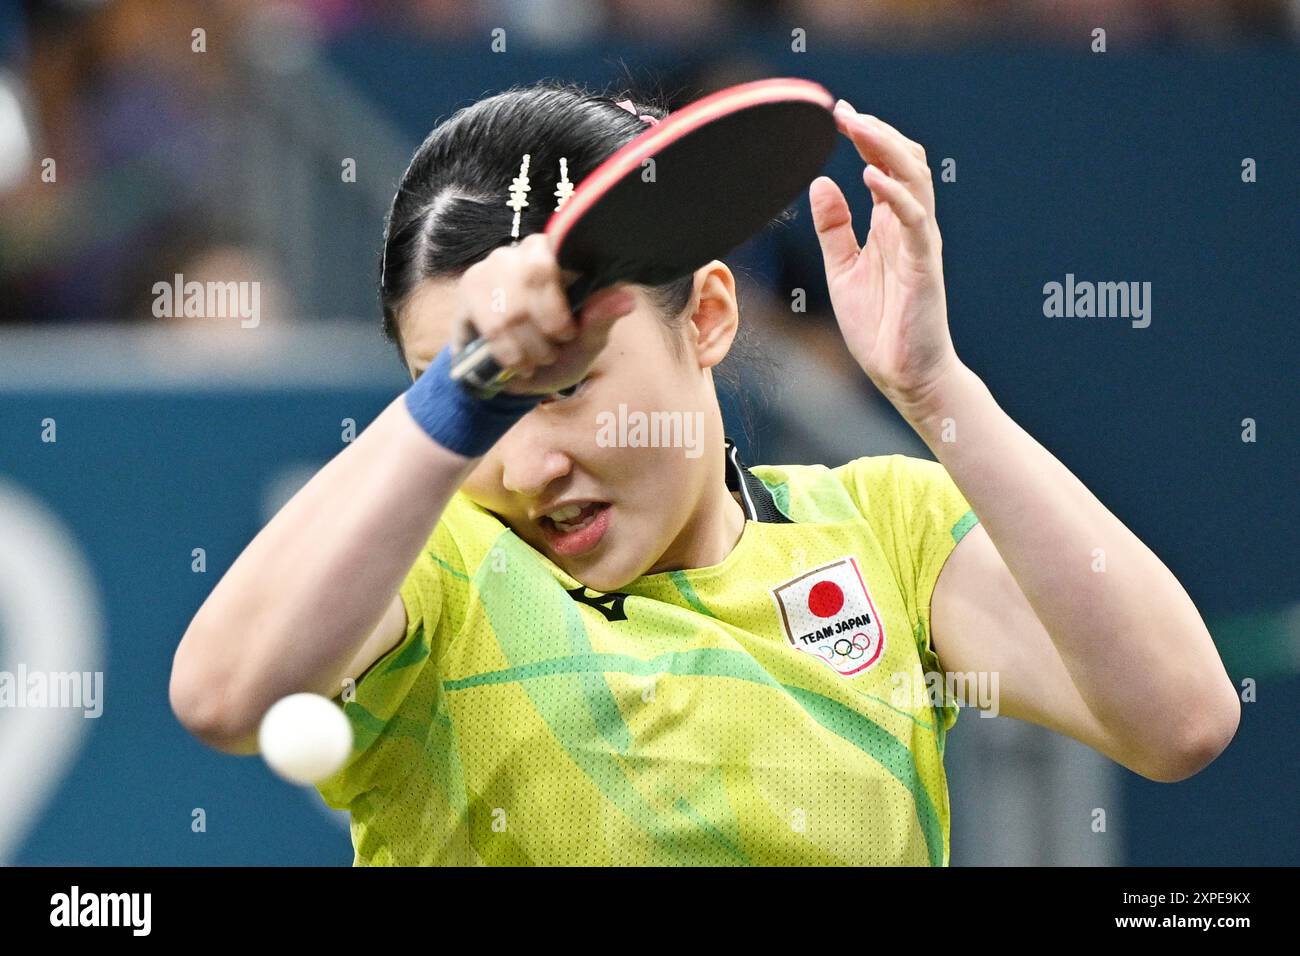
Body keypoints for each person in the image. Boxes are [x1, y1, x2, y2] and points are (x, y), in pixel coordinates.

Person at [169, 81, 1240, 866]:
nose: (528, 462)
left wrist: (935, 387)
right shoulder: (439, 564)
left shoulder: (885, 529)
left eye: (568, 381)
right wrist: (460, 393)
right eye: (480, 400)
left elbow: (1178, 718)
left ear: (711, 317)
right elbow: (223, 694)